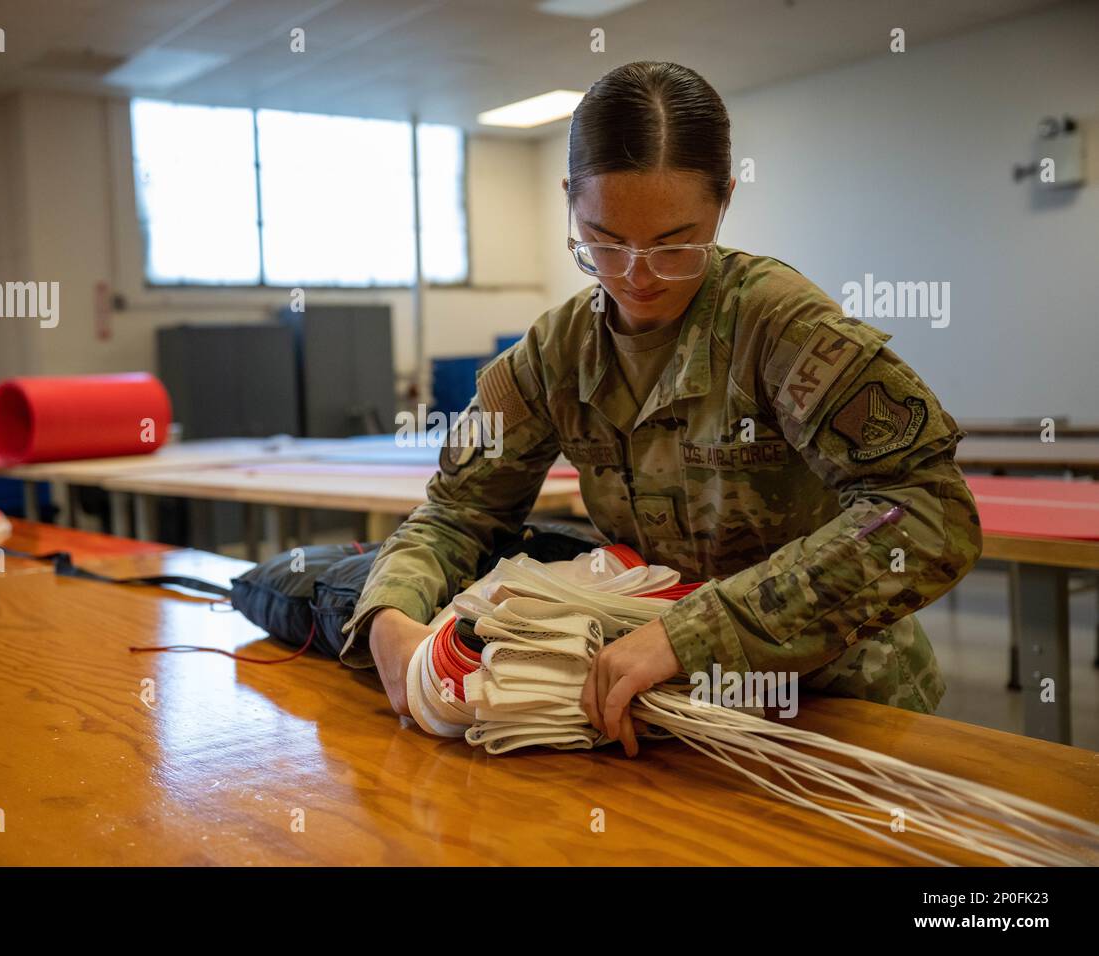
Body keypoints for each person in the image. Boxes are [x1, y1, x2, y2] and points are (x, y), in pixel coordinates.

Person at [338, 61, 982, 756]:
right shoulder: (558, 352)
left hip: (835, 707)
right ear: (569, 202)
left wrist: (696, 634)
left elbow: (929, 512)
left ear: (725, 202)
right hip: (660, 712)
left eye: (676, 246)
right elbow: (460, 511)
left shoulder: (777, 327)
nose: (636, 277)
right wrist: (389, 612)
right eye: (603, 242)